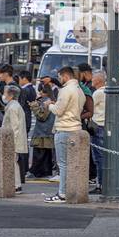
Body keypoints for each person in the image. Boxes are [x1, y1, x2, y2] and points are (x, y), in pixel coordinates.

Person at [44, 66, 84, 203]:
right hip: (76, 128)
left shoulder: (66, 90)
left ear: (65, 76)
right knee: (74, 164)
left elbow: (58, 111)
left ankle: (62, 193)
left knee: (63, 164)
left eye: (60, 77)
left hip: (64, 128)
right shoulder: (79, 90)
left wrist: (49, 105)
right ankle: (72, 191)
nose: (60, 79)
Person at [2, 84, 28, 191]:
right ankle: (16, 185)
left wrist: (10, 142)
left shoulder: (12, 108)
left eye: (5, 93)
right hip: (15, 140)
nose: (3, 95)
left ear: (11, 95)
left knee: (12, 163)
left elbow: (14, 127)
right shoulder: (15, 106)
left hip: (13, 140)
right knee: (14, 163)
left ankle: (16, 185)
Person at [89, 70, 109, 191]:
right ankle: (102, 183)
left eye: (93, 78)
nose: (91, 79)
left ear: (98, 80)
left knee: (98, 158)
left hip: (98, 126)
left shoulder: (98, 93)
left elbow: (89, 107)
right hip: (105, 126)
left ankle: (100, 185)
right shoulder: (107, 91)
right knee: (103, 157)